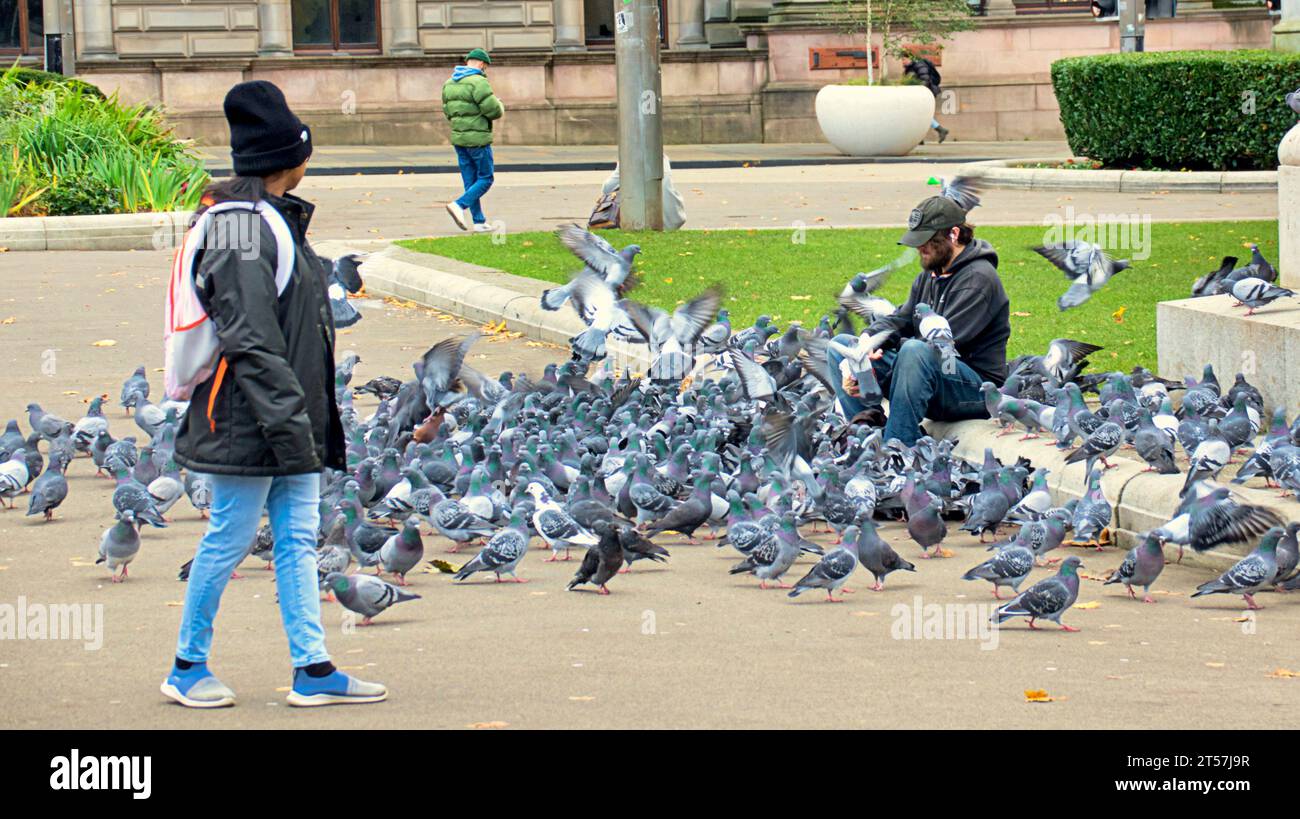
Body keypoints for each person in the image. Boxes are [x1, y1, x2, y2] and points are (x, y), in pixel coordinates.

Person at [163, 80, 386, 709]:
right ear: (292, 156)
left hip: (280, 413)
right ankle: (186, 666)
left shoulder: (268, 217)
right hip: (249, 416)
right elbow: (251, 339)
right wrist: (294, 426)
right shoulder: (240, 227)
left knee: (294, 541)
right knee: (230, 538)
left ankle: (312, 669)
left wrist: (301, 423)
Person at [828, 195, 1009, 445]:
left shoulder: (978, 280)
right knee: (842, 347)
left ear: (953, 234)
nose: (919, 248)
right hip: (927, 375)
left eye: (927, 241)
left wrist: (880, 368)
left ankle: (898, 447)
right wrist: (866, 346)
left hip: (973, 390)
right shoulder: (931, 275)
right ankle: (865, 436)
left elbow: (940, 348)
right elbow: (900, 319)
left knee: (915, 351)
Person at [442, 48, 504, 232]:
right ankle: (459, 205)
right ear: (482, 64)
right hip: (477, 139)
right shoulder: (478, 82)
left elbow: (448, 112)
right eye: (486, 66)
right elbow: (493, 111)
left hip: (459, 138)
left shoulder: (449, 83)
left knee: (470, 181)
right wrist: (499, 104)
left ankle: (479, 221)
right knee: (486, 178)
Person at [600, 154, 687, 230]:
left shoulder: (630, 158)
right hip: (673, 220)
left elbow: (608, 189)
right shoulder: (662, 159)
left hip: (642, 223)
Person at [904, 56, 949, 144]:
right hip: (919, 94)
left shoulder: (919, 65)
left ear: (910, 58)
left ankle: (939, 130)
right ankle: (938, 131)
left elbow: (925, 78)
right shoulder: (910, 67)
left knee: (919, 115)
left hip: (924, 94)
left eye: (904, 59)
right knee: (918, 115)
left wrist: (920, 92)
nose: (903, 62)